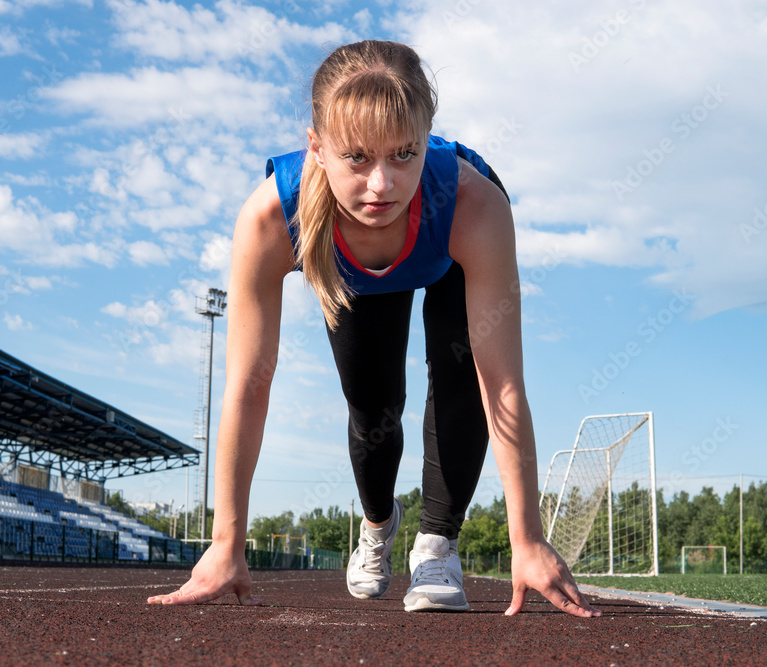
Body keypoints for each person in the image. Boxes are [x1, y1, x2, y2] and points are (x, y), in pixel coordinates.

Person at [148, 40, 600, 618]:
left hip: (444, 248)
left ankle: (437, 544)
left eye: (405, 153)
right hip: (345, 256)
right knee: (371, 405)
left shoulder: (473, 204)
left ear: (427, 137)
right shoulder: (272, 216)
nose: (382, 184)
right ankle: (379, 523)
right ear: (317, 148)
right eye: (357, 158)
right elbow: (248, 383)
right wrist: (225, 543)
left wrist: (528, 539)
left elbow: (502, 384)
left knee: (462, 371)